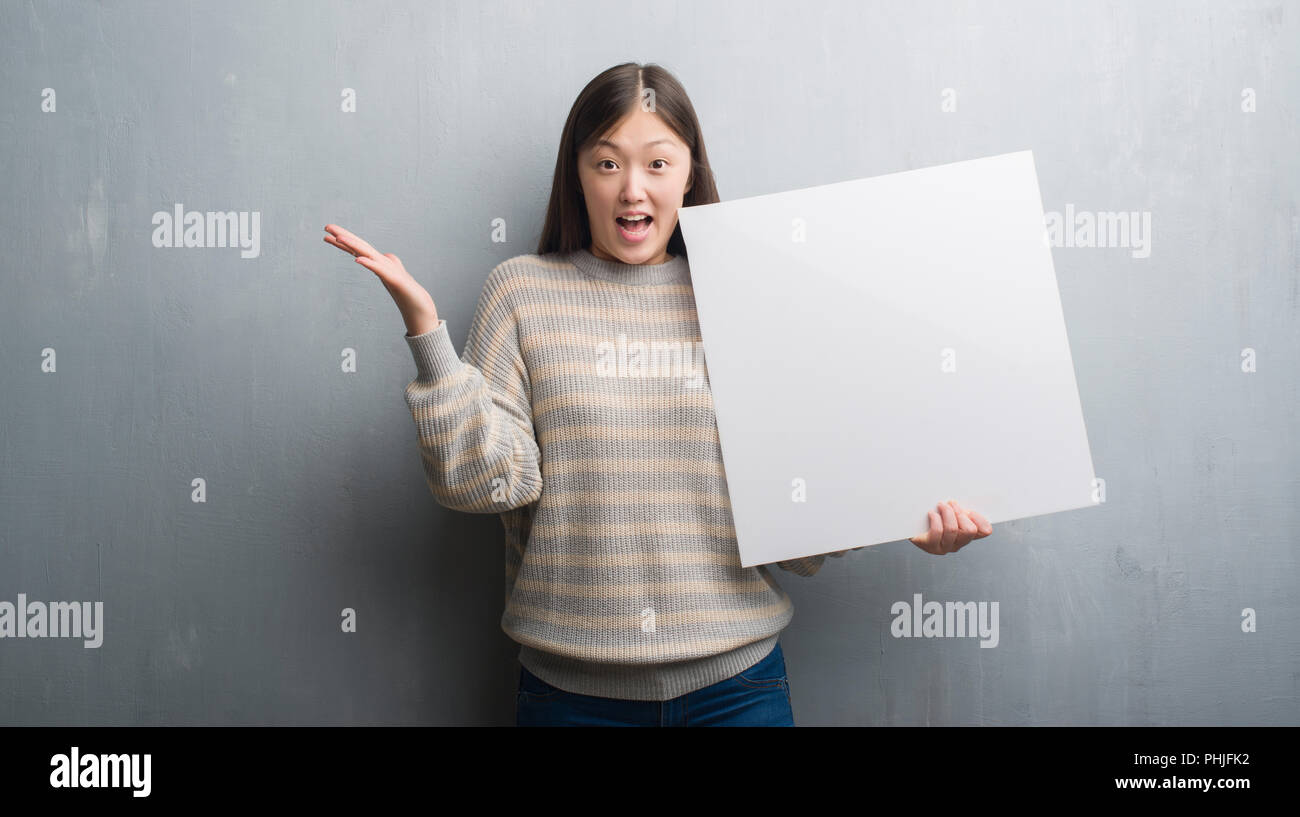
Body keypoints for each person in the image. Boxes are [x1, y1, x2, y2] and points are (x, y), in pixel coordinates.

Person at [323, 62, 992, 726]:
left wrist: (902, 515)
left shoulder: (745, 292)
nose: (632, 189)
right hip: (571, 700)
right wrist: (427, 333)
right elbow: (485, 482)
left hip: (738, 691)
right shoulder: (521, 293)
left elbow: (797, 525)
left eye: (658, 164)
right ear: (576, 174)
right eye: (607, 164)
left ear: (691, 173)